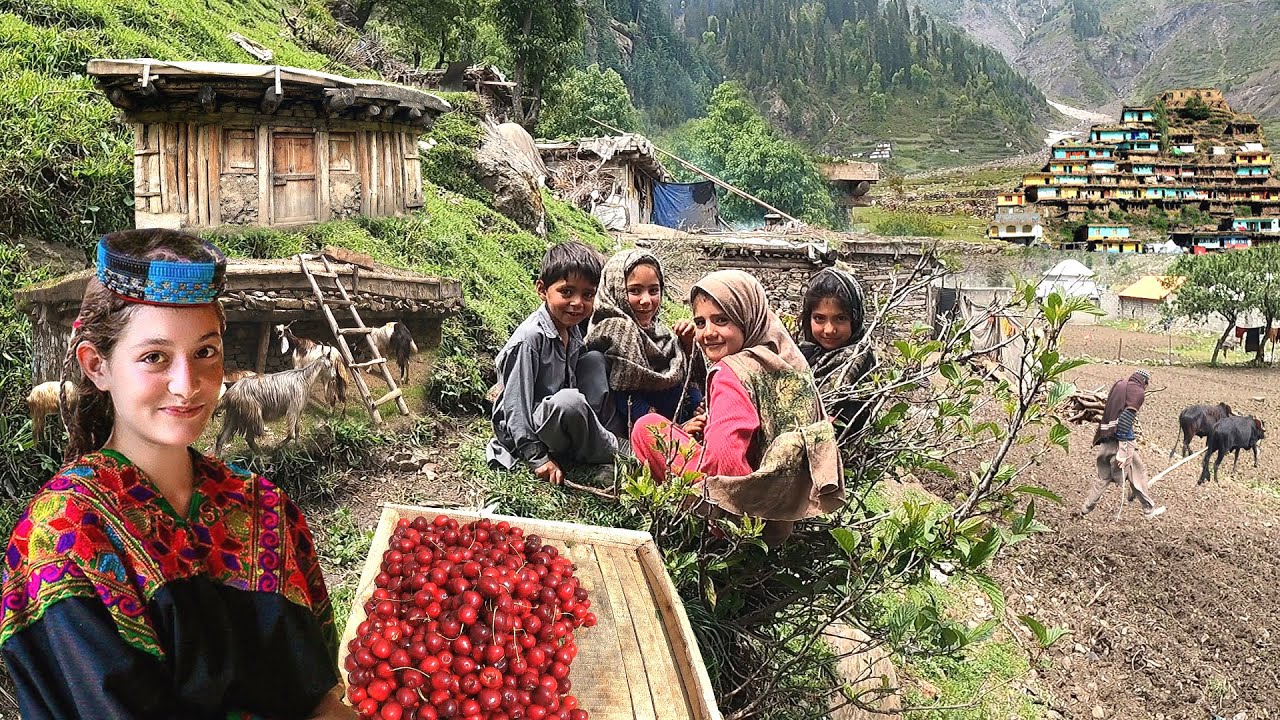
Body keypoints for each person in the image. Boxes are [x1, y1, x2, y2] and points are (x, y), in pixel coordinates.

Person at [0, 229, 351, 719]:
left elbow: (321, 694)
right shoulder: (63, 536)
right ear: (98, 365)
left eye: (205, 351)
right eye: (154, 357)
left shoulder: (264, 507)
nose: (187, 385)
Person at [630, 270, 845, 543]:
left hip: (744, 518)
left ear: (746, 316)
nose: (708, 333)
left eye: (721, 320)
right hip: (785, 507)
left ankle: (711, 531)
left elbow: (725, 458)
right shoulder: (788, 360)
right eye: (700, 322)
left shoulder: (732, 372)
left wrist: (727, 524)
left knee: (647, 428)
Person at [487, 242, 625, 486]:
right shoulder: (530, 339)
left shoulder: (570, 329)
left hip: (557, 413)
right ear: (542, 289)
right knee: (569, 401)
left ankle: (607, 436)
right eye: (567, 292)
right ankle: (615, 451)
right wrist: (536, 458)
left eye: (588, 295)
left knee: (594, 361)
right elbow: (515, 406)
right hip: (531, 427)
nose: (578, 303)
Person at [584, 249, 701, 430]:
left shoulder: (661, 333)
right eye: (634, 291)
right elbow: (628, 399)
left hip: (677, 424)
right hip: (642, 434)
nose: (646, 300)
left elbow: (687, 380)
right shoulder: (616, 330)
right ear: (617, 291)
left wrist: (686, 343)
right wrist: (675, 432)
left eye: (654, 290)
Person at [797, 266, 877, 437]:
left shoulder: (859, 360)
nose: (829, 330)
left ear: (855, 319)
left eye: (840, 318)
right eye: (819, 318)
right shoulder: (802, 354)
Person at [1082, 369, 1166, 518]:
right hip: (1120, 441)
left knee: (1103, 477)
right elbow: (1125, 419)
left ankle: (1086, 508)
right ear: (1144, 382)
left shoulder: (1119, 385)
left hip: (1105, 439)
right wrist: (1122, 450)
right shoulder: (1137, 392)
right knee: (1137, 473)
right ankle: (1148, 509)